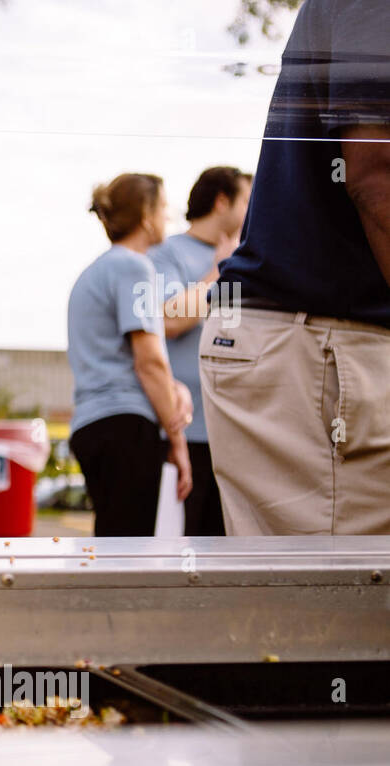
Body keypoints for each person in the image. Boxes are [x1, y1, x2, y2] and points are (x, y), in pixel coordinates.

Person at [204, 0, 390, 535]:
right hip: (325, 349)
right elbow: (377, 171)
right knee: (337, 606)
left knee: (320, 605)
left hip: (325, 346)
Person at [67, 174, 193, 537]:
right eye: (164, 207)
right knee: (130, 557)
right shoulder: (134, 267)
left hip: (94, 425)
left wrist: (174, 388)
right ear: (146, 216)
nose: (168, 217)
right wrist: (178, 439)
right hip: (124, 426)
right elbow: (148, 361)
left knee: (113, 546)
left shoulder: (95, 272)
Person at [148, 166, 252, 536]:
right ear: (223, 202)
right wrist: (221, 270)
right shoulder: (167, 252)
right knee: (180, 550)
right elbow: (170, 318)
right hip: (185, 436)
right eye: (246, 199)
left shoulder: (252, 258)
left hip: (237, 435)